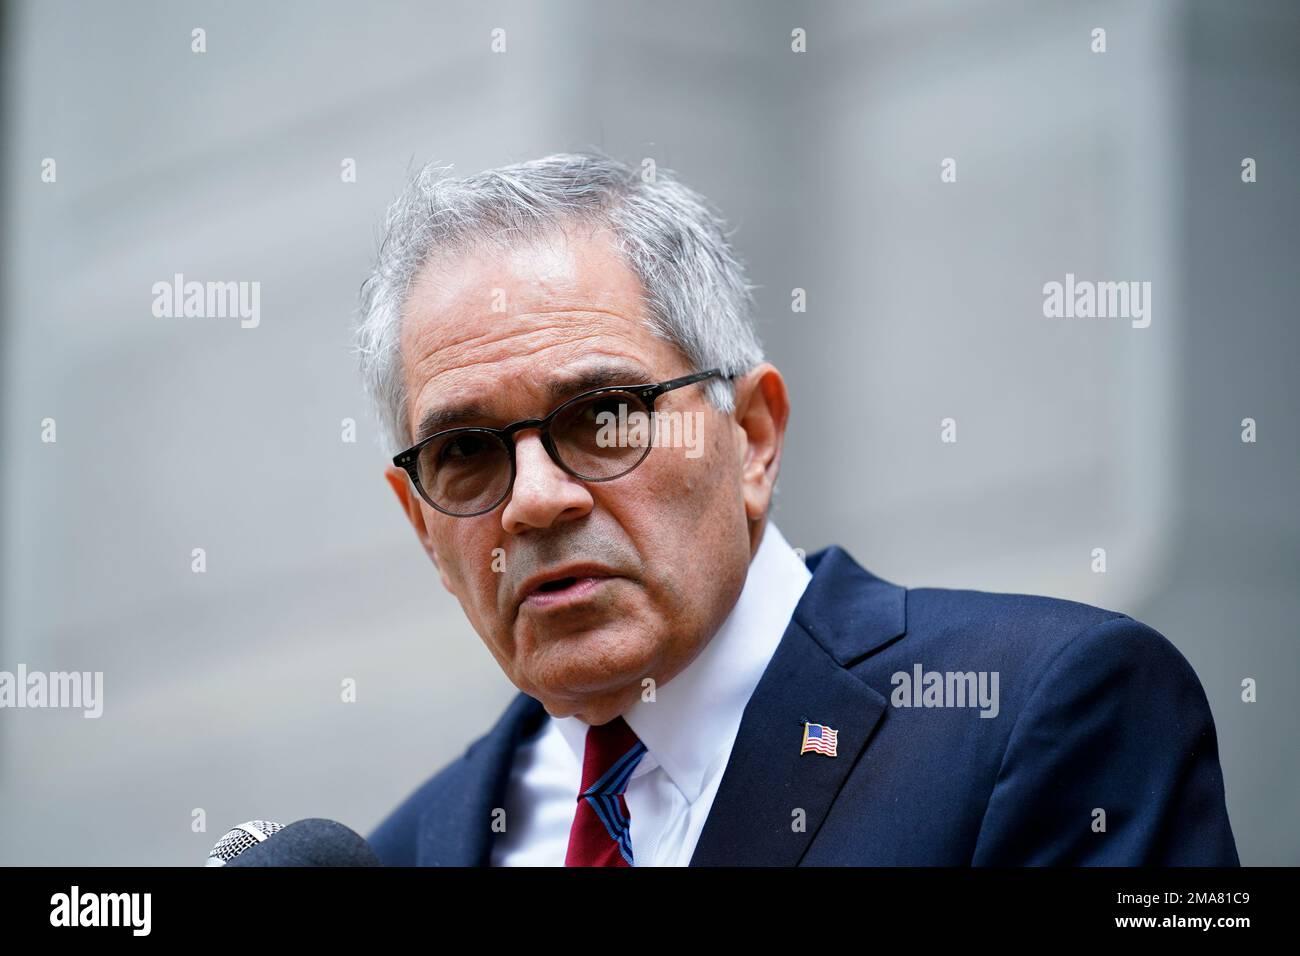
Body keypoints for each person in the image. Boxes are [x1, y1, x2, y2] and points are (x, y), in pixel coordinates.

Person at [353, 151, 1238, 866]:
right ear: (424, 527)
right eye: (464, 452)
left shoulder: (1045, 714)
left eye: (605, 417)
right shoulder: (406, 851)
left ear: (752, 438)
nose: (537, 502)